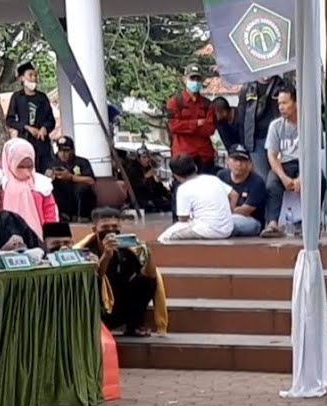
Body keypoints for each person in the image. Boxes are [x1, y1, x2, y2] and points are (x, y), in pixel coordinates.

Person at [74, 207, 162, 337]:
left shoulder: (126, 249)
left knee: (147, 281)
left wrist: (148, 253)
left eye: (114, 226)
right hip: (96, 309)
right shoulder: (85, 250)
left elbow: (149, 275)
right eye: (105, 227)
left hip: (120, 306)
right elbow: (94, 280)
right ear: (94, 229)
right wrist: (106, 255)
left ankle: (134, 326)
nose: (110, 231)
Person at [158, 154, 235, 241]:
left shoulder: (183, 189)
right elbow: (234, 194)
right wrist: (229, 212)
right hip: (228, 229)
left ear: (175, 175)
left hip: (208, 230)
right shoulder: (213, 179)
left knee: (164, 238)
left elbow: (183, 219)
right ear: (196, 167)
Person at [0, 137, 57, 239]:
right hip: (7, 238)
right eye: (21, 167)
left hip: (38, 237)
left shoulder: (41, 184)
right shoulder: (1, 184)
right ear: (10, 163)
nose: (26, 171)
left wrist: (50, 236)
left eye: (29, 166)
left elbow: (50, 212)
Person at [261, 86, 302, 237]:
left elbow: (314, 153)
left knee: (320, 181)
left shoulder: (309, 123)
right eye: (279, 104)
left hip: (304, 163)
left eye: (285, 103)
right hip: (284, 164)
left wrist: (301, 178)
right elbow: (272, 155)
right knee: (272, 182)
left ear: (296, 103)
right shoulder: (276, 126)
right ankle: (272, 223)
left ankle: (309, 221)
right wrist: (284, 177)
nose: (281, 107)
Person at [166, 65, 217, 176]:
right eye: (192, 78)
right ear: (184, 79)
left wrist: (185, 127)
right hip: (183, 156)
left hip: (204, 156)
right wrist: (197, 123)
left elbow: (210, 129)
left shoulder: (207, 104)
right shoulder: (175, 102)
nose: (195, 82)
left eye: (198, 79)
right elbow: (173, 126)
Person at [5, 62, 55, 172]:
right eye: (30, 75)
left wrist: (44, 128)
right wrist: (27, 127)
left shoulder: (42, 97)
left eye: (35, 75)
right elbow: (10, 120)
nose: (34, 78)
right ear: (22, 78)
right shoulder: (17, 97)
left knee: (45, 172)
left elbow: (51, 119)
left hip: (42, 142)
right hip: (25, 140)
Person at [236, 74, 285, 171]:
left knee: (279, 175)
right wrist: (244, 143)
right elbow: (241, 118)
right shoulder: (247, 88)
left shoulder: (281, 85)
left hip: (278, 139)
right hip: (255, 141)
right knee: (262, 176)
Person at [217, 144, 267, 237]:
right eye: (235, 160)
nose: (239, 164)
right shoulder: (221, 176)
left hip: (252, 220)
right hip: (224, 217)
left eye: (243, 160)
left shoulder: (257, 182)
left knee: (228, 224)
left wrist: (222, 212)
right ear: (227, 161)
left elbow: (245, 210)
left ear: (250, 164)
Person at [47, 136, 96, 221]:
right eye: (60, 150)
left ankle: (82, 216)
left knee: (83, 189)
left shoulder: (82, 162)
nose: (63, 154)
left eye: (66, 151)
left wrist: (71, 177)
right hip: (62, 199)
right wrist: (49, 176)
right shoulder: (52, 163)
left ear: (72, 150)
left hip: (79, 198)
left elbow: (91, 180)